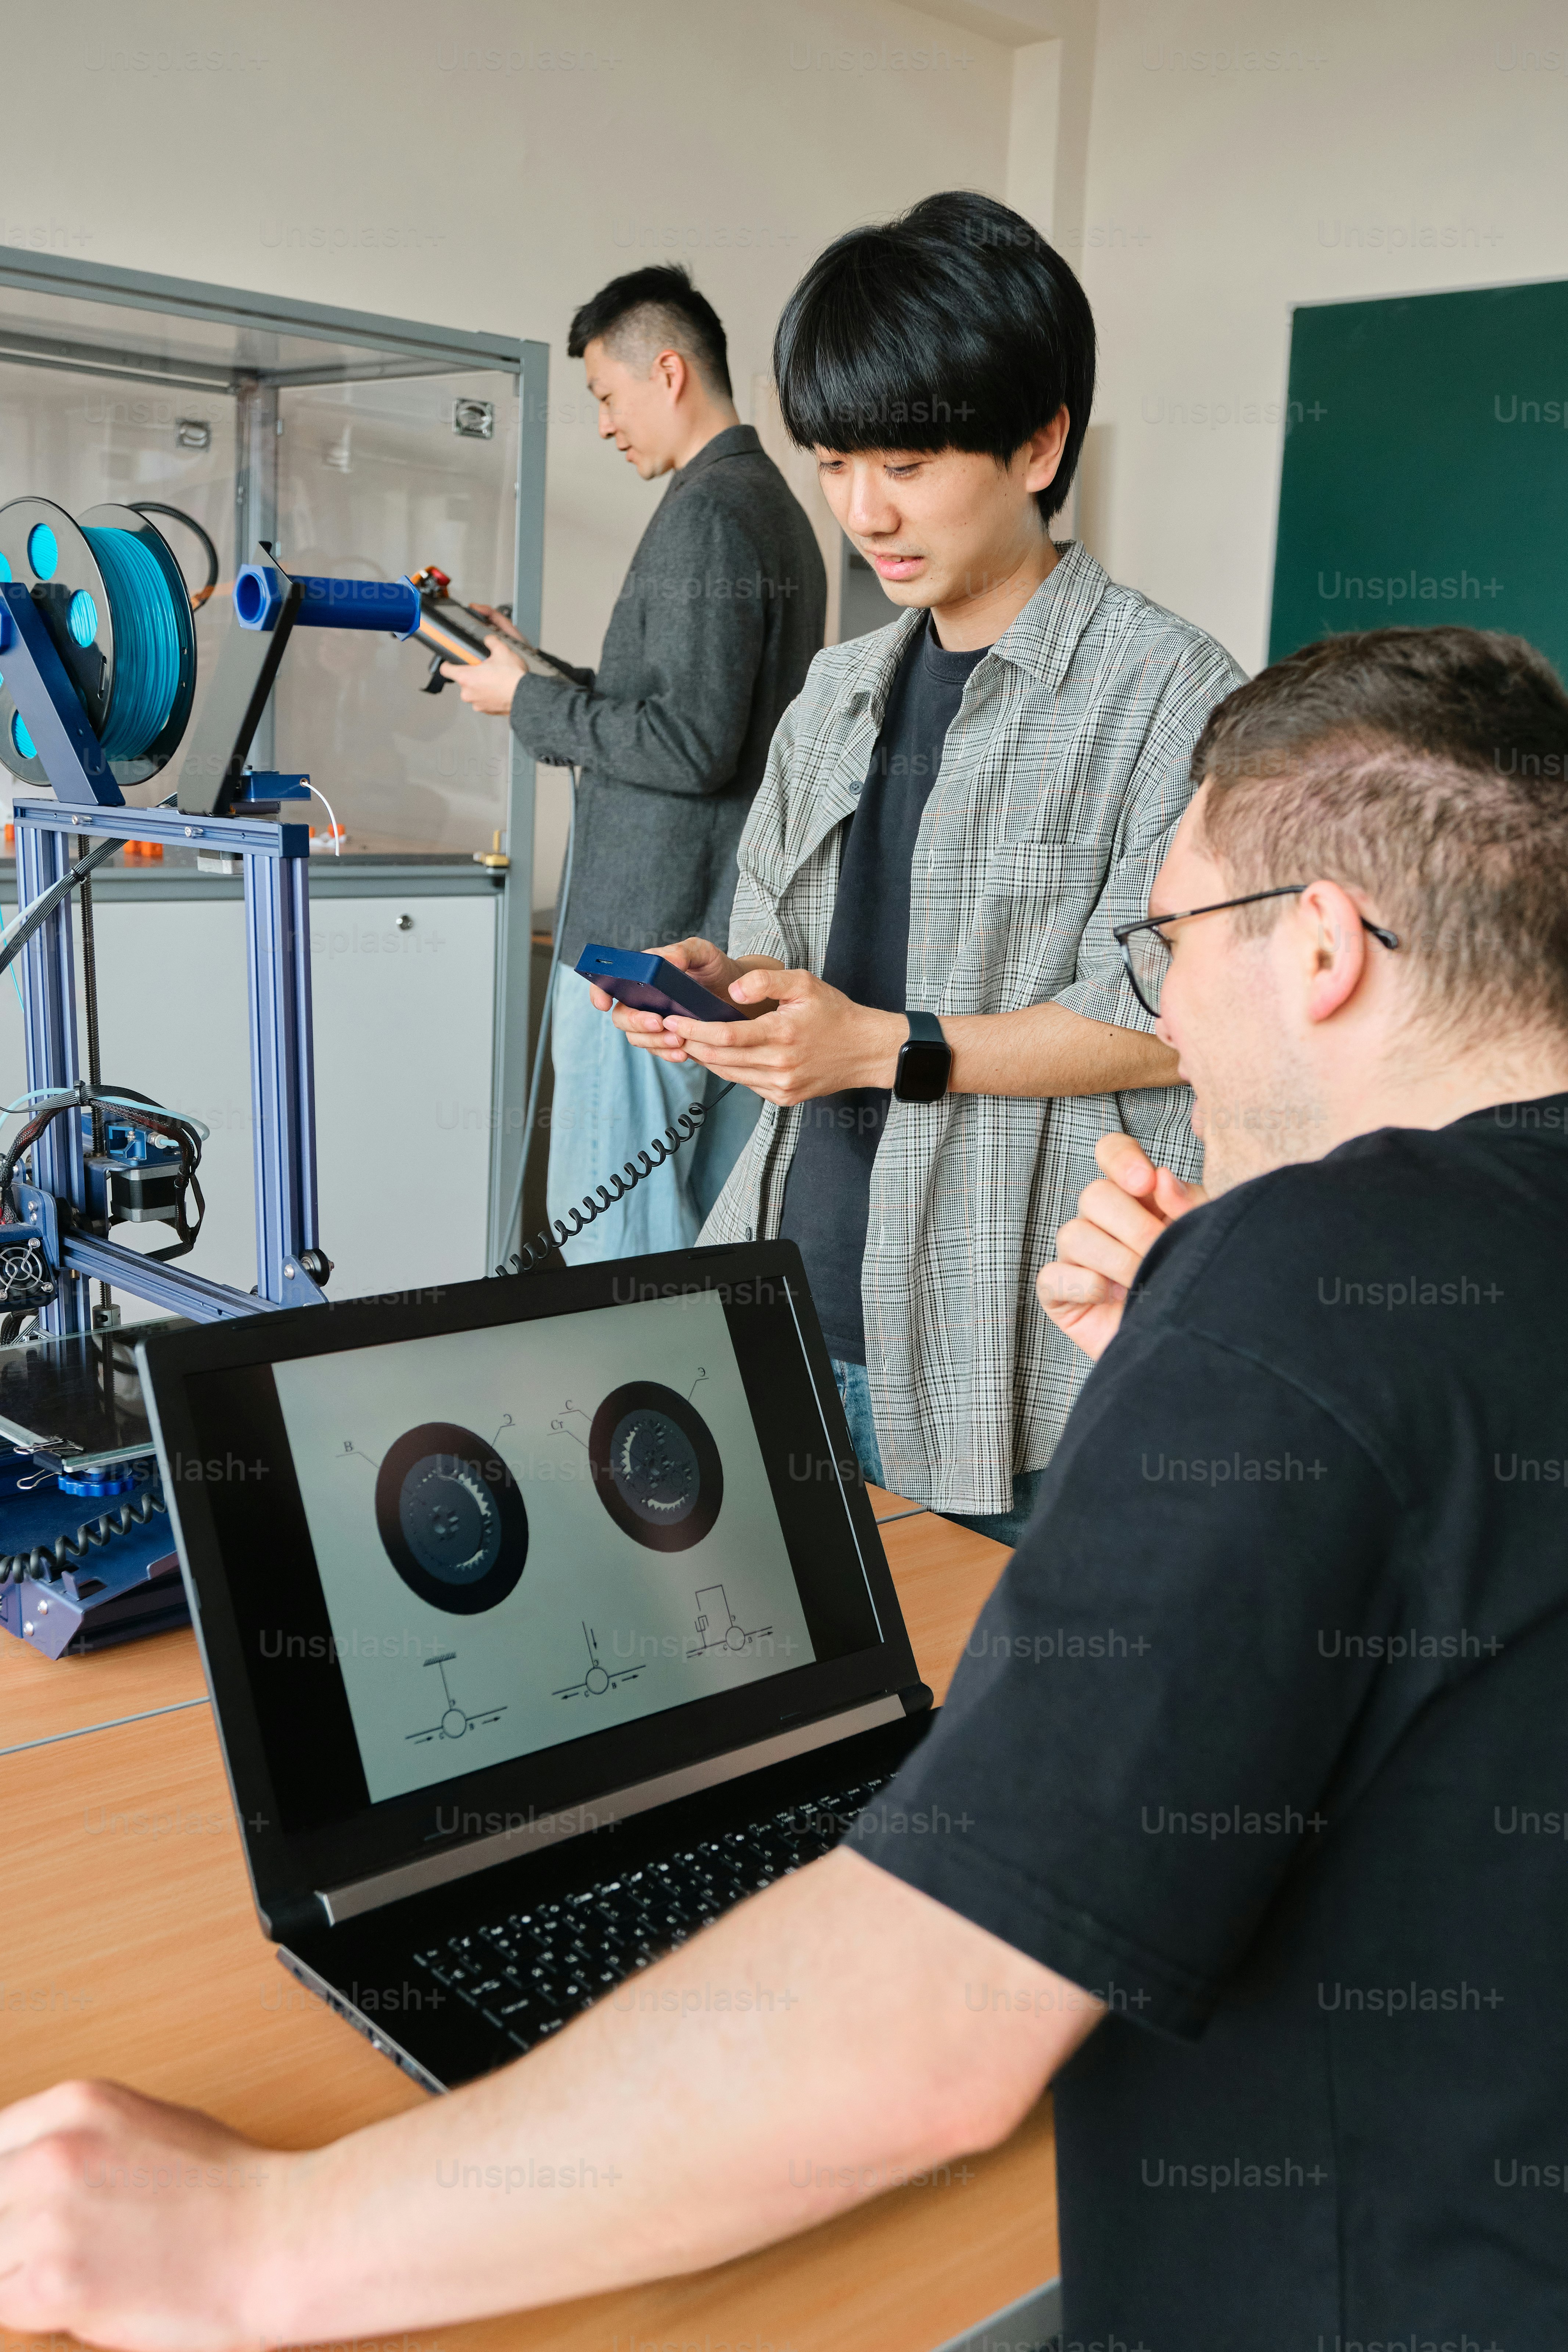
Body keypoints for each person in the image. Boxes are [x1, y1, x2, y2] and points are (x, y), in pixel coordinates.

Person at [10, 623, 1568, 2350]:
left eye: (1168, 940)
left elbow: (931, 2028)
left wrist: (252, 2241)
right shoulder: (1389, 1296)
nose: (1161, 1006)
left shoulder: (1309, 1282)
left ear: (1327, 950)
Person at [593, 191, 1244, 1541]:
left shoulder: (1171, 694)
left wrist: (883, 1047)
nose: (862, 511)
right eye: (834, 463)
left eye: (905, 462)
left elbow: (1167, 1019)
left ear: (1039, 441)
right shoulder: (836, 691)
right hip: (784, 1294)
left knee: (994, 1724)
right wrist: (721, 992)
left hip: (1003, 1348)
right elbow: (801, 971)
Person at [445, 263, 826, 1260]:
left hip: (649, 944)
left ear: (666, 371)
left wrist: (526, 701)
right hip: (710, 932)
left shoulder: (710, 512)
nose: (607, 423)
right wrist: (536, 670)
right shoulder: (768, 504)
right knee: (701, 1240)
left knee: (616, 1254)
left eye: (606, 396)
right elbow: (688, 712)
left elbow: (690, 747)